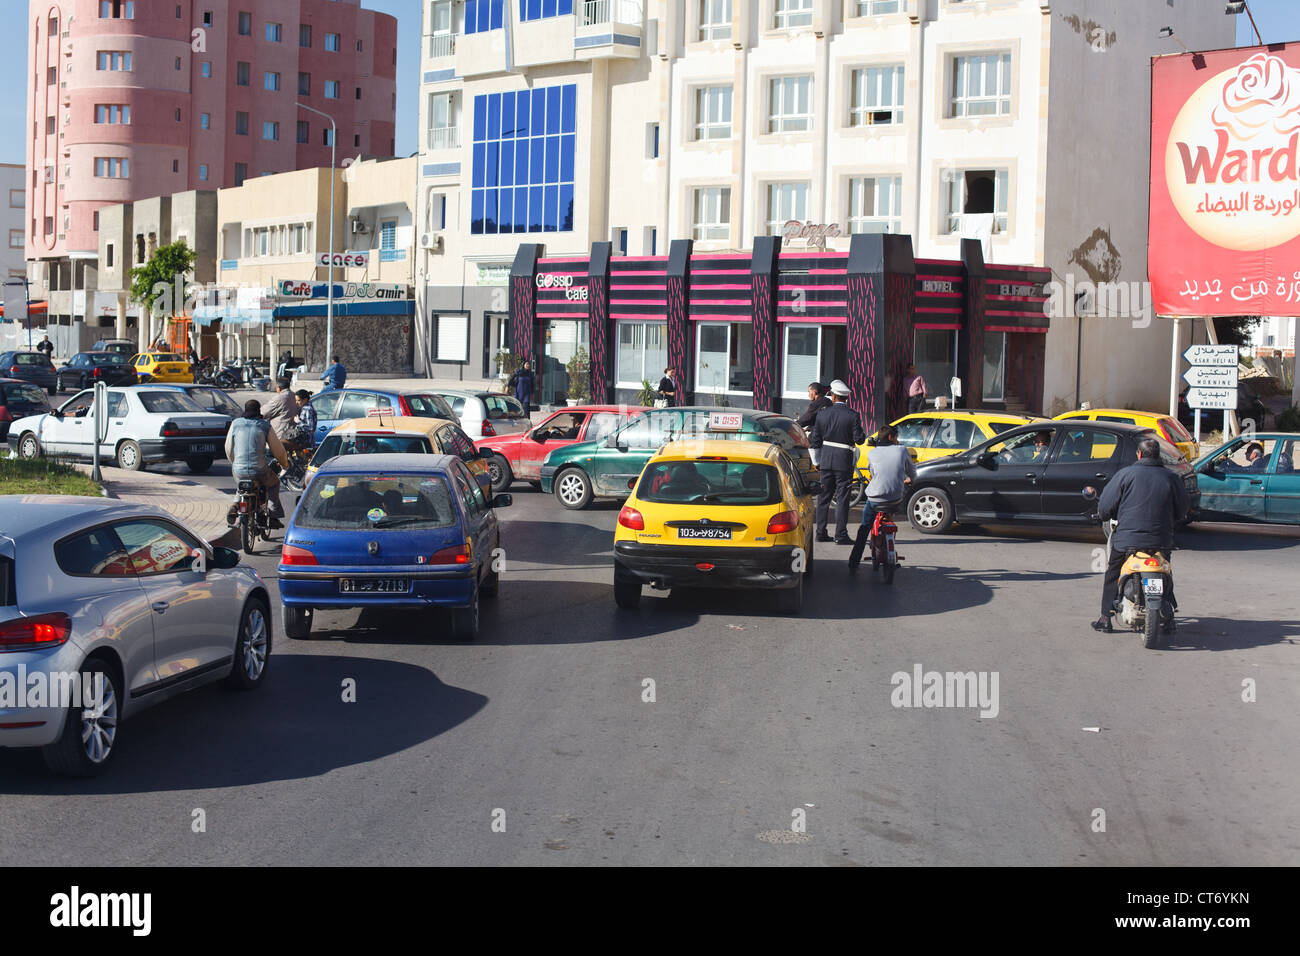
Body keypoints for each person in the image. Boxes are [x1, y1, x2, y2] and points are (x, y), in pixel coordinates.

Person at [1088, 437, 1190, 634]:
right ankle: (1169, 617)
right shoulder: (1172, 478)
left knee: (1113, 572)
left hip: (1128, 540)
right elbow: (1183, 509)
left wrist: (1102, 514)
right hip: (1162, 539)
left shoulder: (1125, 475)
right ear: (1157, 455)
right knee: (1165, 571)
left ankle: (1105, 617)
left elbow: (1106, 507)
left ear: (1139, 454)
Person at [849, 423, 917, 569]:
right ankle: (889, 543)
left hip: (874, 499)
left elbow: (874, 473)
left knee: (864, 528)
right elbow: (912, 471)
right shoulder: (902, 450)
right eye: (896, 437)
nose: (897, 440)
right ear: (891, 437)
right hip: (895, 498)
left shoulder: (872, 453)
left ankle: (853, 563)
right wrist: (910, 479)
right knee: (889, 513)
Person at [810, 380, 867, 545]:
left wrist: (816, 461)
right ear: (846, 397)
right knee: (842, 499)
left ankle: (820, 532)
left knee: (823, 498)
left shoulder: (822, 414)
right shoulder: (852, 415)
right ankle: (840, 535)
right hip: (844, 461)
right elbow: (859, 440)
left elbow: (815, 440)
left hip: (826, 460)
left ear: (833, 396)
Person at [224, 399, 290, 529]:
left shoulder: (235, 423)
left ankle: (236, 504)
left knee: (241, 486)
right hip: (259, 469)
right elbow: (277, 449)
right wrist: (284, 464)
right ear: (258, 411)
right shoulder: (264, 426)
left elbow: (228, 447)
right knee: (274, 483)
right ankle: (273, 515)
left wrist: (235, 462)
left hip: (238, 468)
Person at [797, 382, 832, 466]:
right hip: (828, 439)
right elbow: (817, 419)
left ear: (814, 392)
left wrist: (794, 424)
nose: (808, 395)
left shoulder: (816, 404)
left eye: (809, 392)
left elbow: (806, 419)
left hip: (816, 440)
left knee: (815, 464)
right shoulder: (828, 402)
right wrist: (808, 428)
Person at [261, 378, 300, 444]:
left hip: (280, 435)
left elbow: (263, 412)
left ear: (278, 388)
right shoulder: (295, 396)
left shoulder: (280, 398)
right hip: (293, 434)